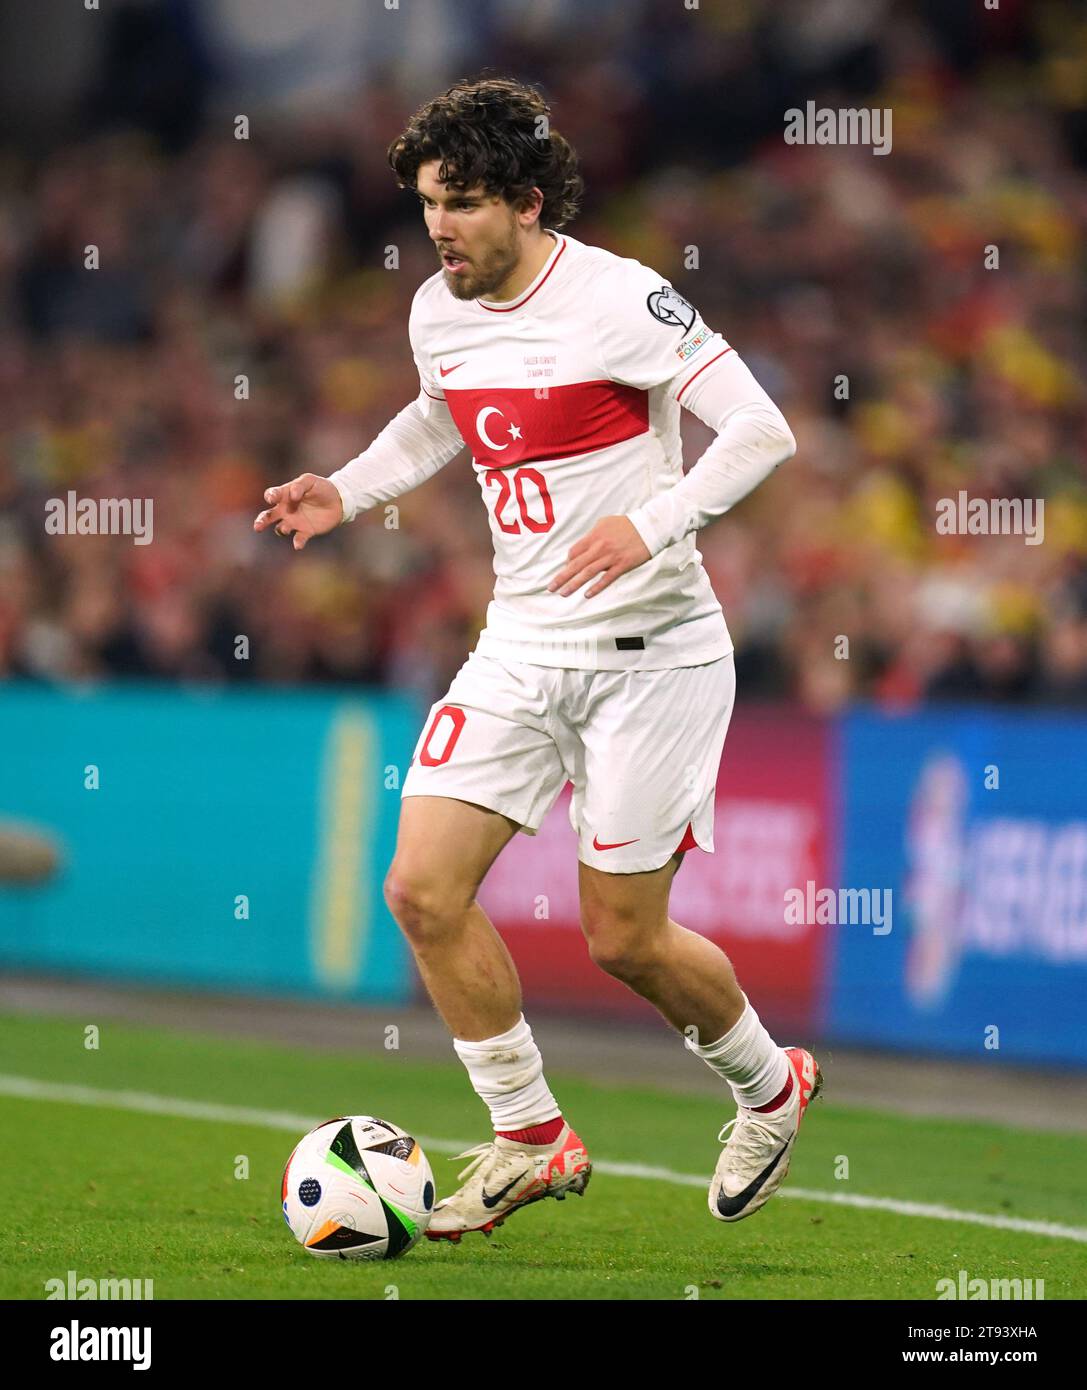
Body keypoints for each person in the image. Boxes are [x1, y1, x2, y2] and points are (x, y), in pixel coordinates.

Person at [255, 76, 821, 1242]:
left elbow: (762, 428)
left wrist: (650, 523)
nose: (439, 230)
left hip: (653, 654)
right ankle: (529, 1135)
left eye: (460, 204)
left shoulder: (623, 298)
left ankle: (769, 1087)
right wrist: (347, 489)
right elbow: (436, 413)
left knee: (622, 936)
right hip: (518, 642)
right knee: (417, 887)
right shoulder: (438, 309)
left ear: (525, 201)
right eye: (424, 206)